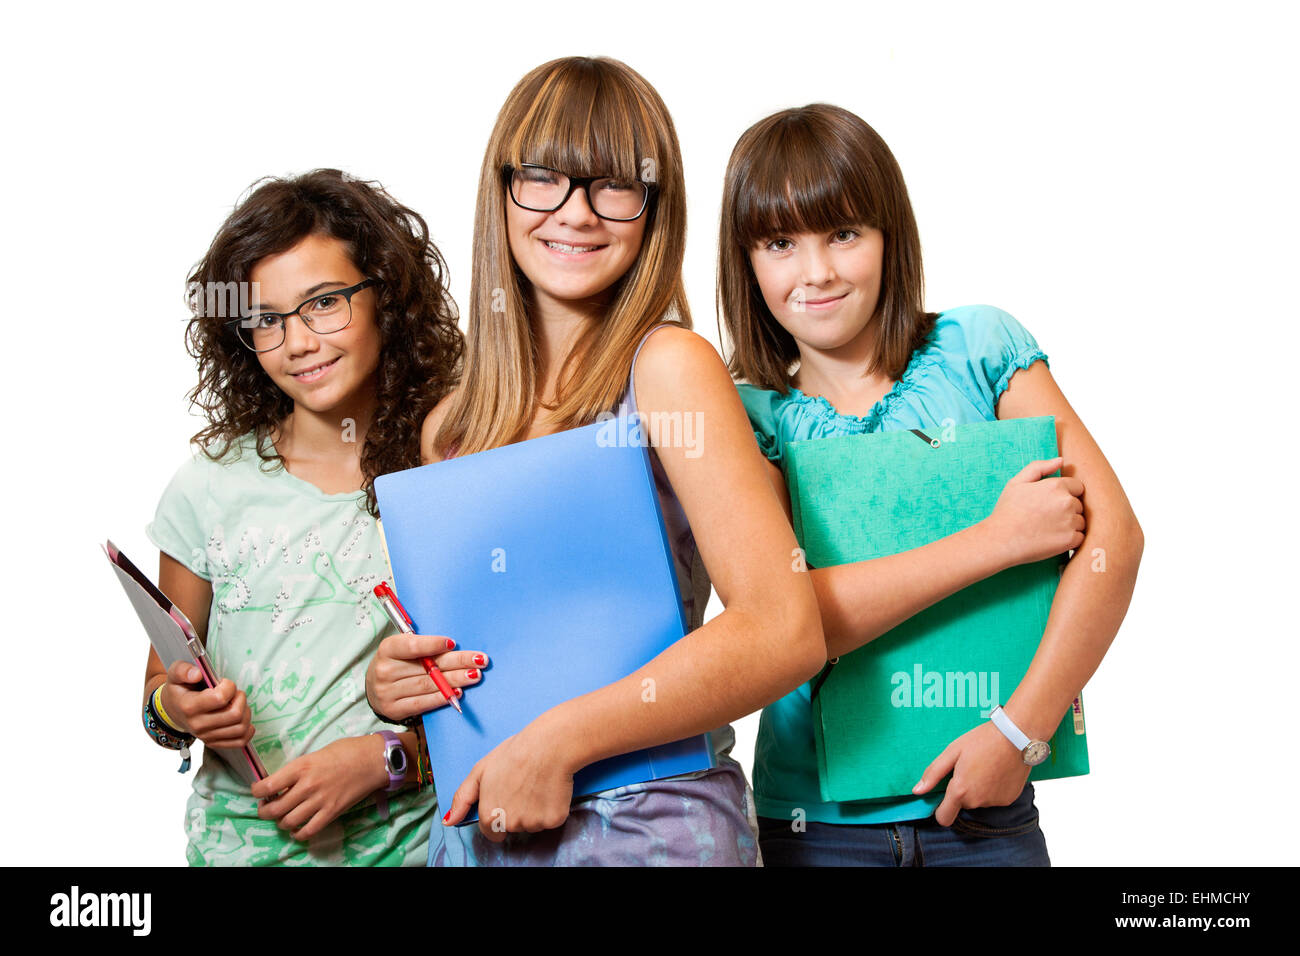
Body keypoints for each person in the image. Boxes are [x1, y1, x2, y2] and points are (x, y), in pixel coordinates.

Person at [364, 56, 825, 866]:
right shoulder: (452, 428)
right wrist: (404, 685)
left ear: (654, 210)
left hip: (652, 830)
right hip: (480, 834)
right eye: (544, 178)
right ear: (502, 190)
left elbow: (782, 631)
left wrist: (562, 740)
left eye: (613, 185)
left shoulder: (668, 369)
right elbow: (481, 661)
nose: (575, 214)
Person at [718, 104, 1144, 866]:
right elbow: (791, 622)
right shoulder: (751, 418)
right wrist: (998, 541)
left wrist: (1020, 732)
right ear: (746, 261)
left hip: (988, 806)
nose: (816, 272)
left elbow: (1114, 540)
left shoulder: (977, 349)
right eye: (780, 243)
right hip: (811, 829)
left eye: (843, 233)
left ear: (890, 235)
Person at [142, 169, 480, 865]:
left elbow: (507, 699)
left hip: (415, 852)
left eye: (324, 303)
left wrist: (386, 760)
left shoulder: (452, 470)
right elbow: (157, 701)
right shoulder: (207, 488)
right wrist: (180, 709)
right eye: (267, 319)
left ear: (387, 296)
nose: (297, 341)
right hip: (232, 852)